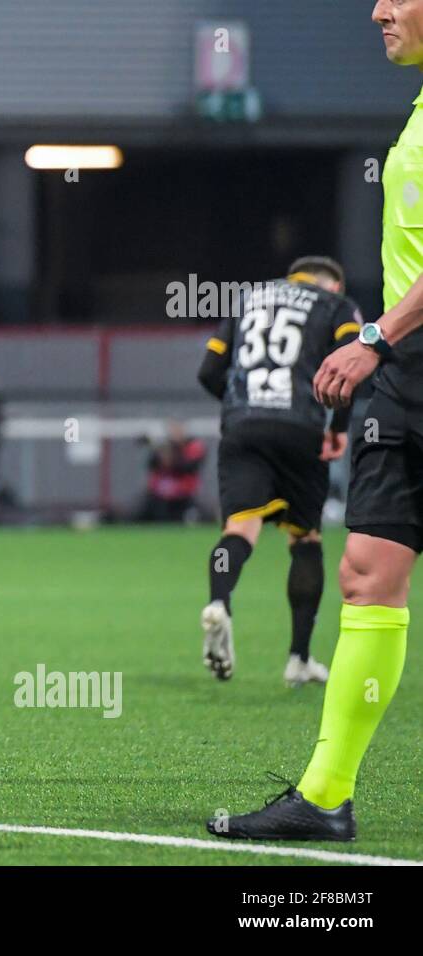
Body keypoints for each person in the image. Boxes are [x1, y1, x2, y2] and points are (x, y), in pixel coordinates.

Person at [209, 0, 423, 841]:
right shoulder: (415, 111)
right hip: (407, 380)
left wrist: (373, 334)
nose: (376, 10)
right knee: (366, 575)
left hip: (397, 353)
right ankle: (327, 796)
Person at [196, 258, 361, 686]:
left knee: (238, 529)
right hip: (300, 427)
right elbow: (353, 364)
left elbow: (209, 371)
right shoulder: (334, 304)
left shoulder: (246, 298)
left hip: (243, 426)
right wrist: (338, 429)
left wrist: (241, 407)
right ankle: (299, 659)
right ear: (335, 283)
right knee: (305, 537)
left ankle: (219, 604)